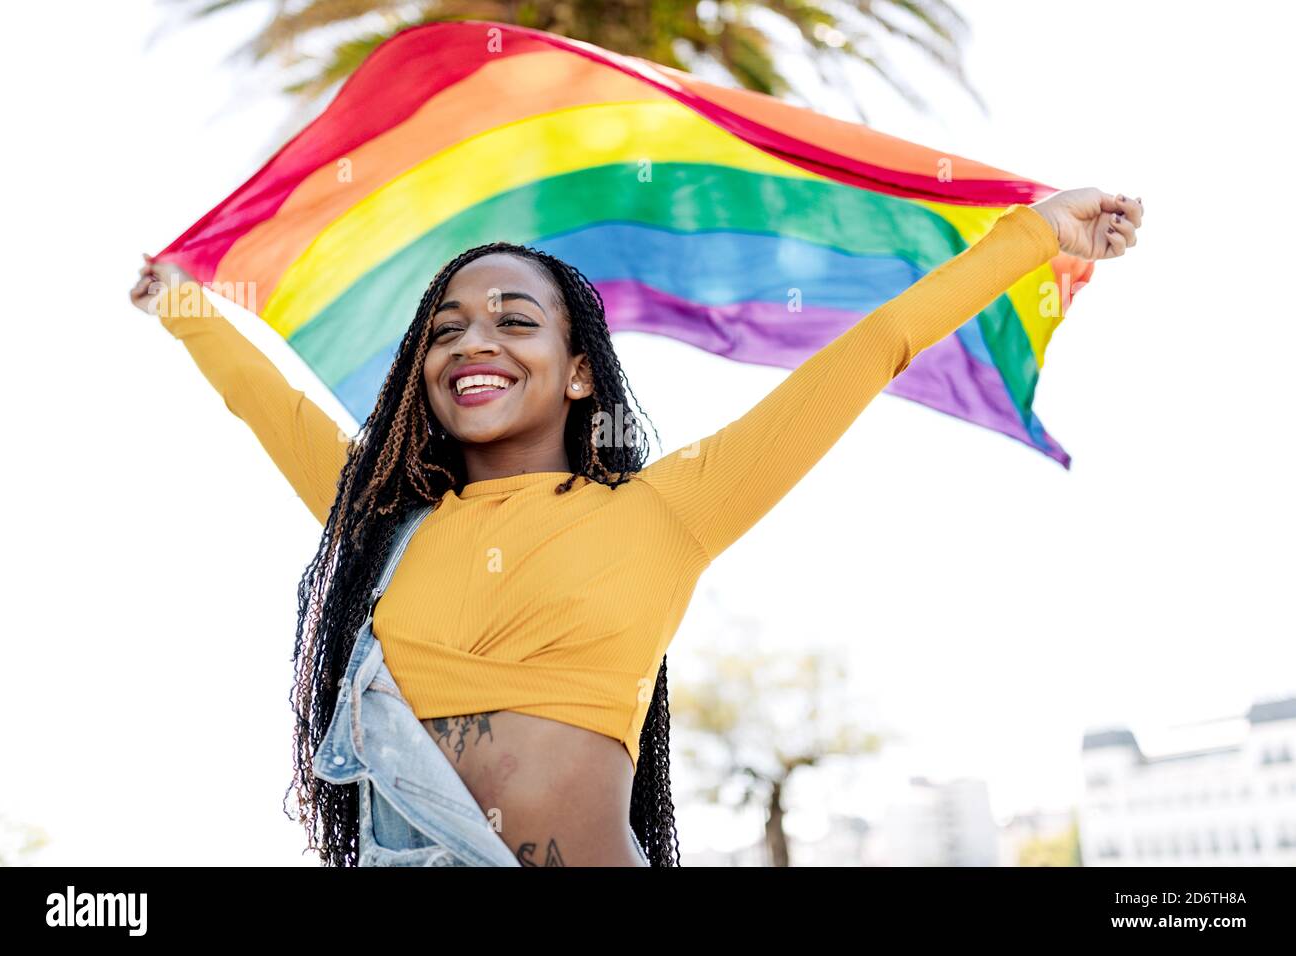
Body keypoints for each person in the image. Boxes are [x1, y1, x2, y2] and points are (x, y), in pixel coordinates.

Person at [129, 188, 1143, 866]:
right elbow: (266, 403)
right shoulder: (381, 521)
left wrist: (1032, 234)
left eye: (513, 319)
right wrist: (182, 305)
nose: (472, 340)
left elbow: (872, 347)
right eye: (445, 330)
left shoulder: (667, 509)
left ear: (579, 372)